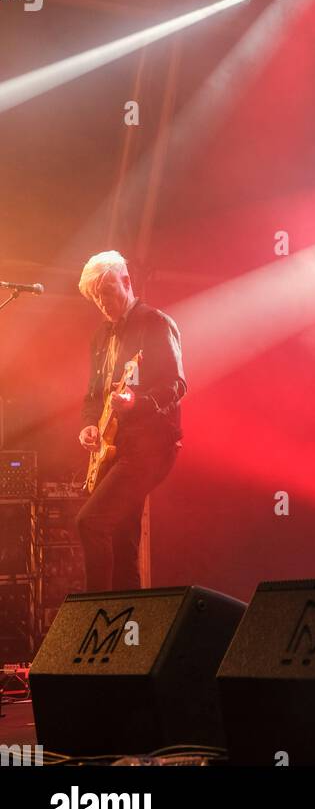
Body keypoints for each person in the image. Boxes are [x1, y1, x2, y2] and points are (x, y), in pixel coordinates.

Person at [76, 251, 185, 592]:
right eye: (96, 297)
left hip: (150, 447)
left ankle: (92, 615)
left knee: (90, 523)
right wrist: (89, 426)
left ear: (126, 281)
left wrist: (137, 403)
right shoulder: (101, 337)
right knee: (124, 545)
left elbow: (176, 384)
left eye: (107, 292)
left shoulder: (154, 323)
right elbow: (93, 395)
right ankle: (129, 635)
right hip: (115, 448)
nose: (102, 302)